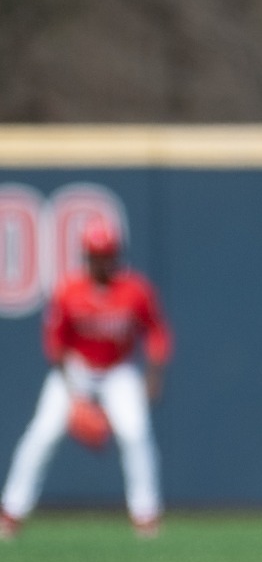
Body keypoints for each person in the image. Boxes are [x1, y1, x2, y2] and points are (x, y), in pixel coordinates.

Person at [0, 222, 172, 541]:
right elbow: (55, 344)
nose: (101, 261)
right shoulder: (69, 290)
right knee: (41, 434)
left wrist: (152, 376)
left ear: (116, 255)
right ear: (86, 256)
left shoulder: (135, 289)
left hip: (119, 370)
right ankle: (11, 512)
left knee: (135, 434)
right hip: (75, 368)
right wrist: (74, 396)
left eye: (106, 255)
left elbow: (157, 332)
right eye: (96, 255)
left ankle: (146, 515)